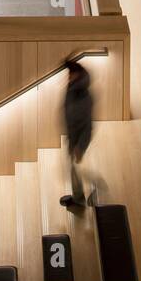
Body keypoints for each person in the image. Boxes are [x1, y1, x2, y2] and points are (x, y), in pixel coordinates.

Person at [58, 59, 96, 210]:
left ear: (77, 75)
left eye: (70, 74)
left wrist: (80, 147)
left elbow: (88, 127)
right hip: (72, 137)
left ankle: (96, 188)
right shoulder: (72, 88)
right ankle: (78, 196)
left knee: (77, 168)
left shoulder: (84, 97)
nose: (67, 77)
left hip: (79, 140)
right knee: (72, 168)